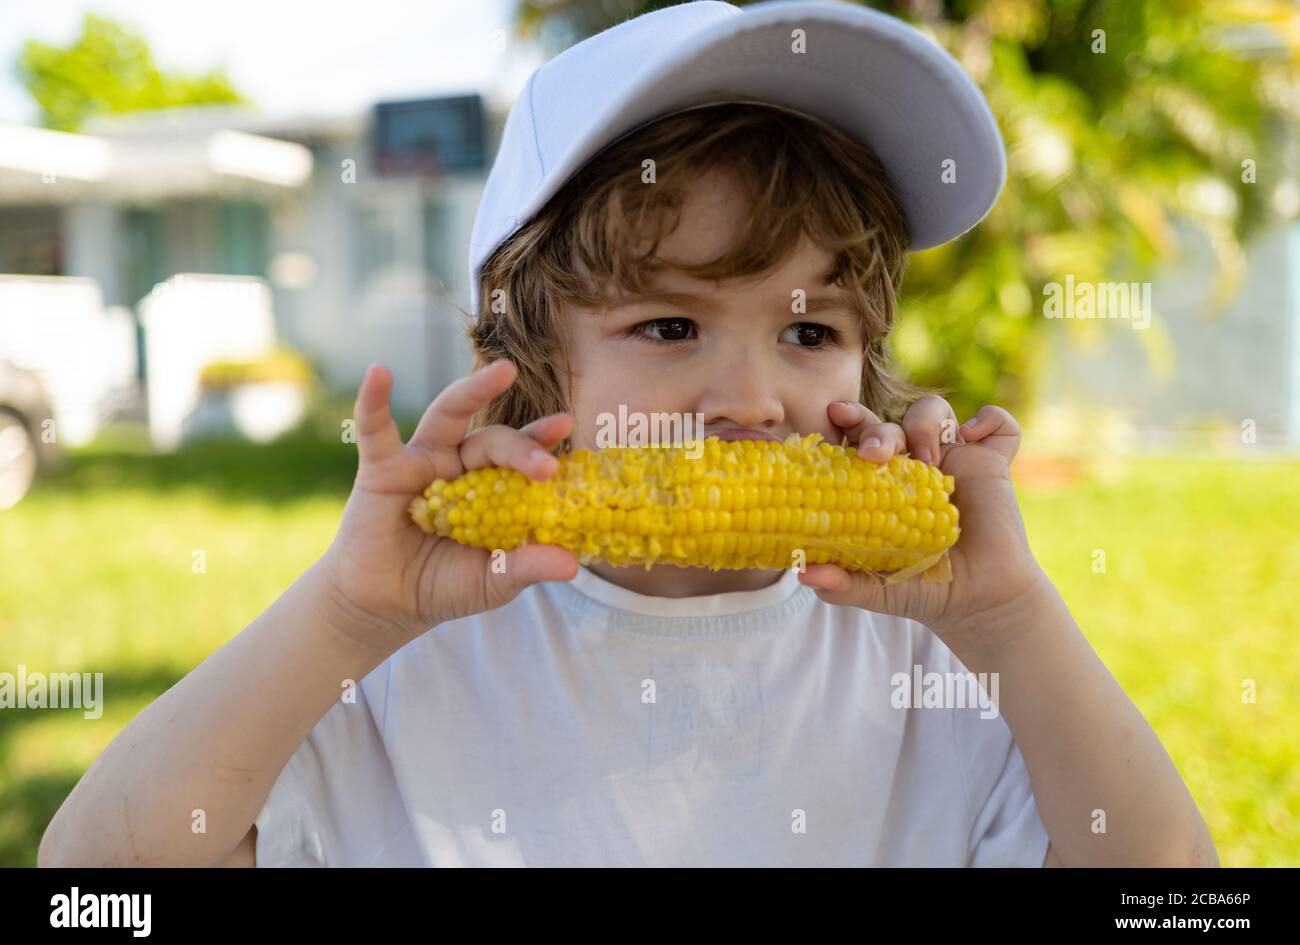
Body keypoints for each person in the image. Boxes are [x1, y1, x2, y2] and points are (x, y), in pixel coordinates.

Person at [39, 0, 1217, 867]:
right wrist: (343, 614)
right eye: (668, 323)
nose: (751, 397)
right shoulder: (403, 668)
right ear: (535, 364)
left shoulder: (938, 671)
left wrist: (1012, 623)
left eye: (811, 334)